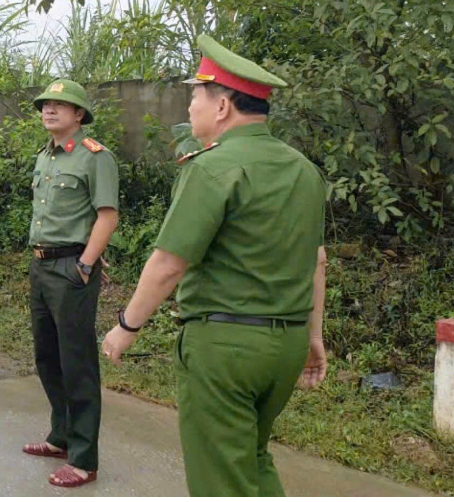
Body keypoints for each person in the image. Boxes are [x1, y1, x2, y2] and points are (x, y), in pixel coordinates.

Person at [102, 35, 329, 496]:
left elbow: (168, 263)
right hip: (284, 346)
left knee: (218, 478)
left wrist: (126, 326)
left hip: (225, 348)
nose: (189, 108)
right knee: (252, 459)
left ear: (222, 106)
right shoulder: (303, 169)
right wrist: (312, 336)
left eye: (195, 96)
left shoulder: (211, 168)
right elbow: (317, 260)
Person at [20, 79, 118, 488]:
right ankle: (60, 435)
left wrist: (85, 264)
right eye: (46, 105)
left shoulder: (95, 158)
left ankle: (83, 458)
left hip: (70, 269)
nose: (49, 111)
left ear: (79, 115)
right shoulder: (45, 157)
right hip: (41, 267)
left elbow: (107, 216)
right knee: (48, 356)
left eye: (61, 105)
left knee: (77, 363)